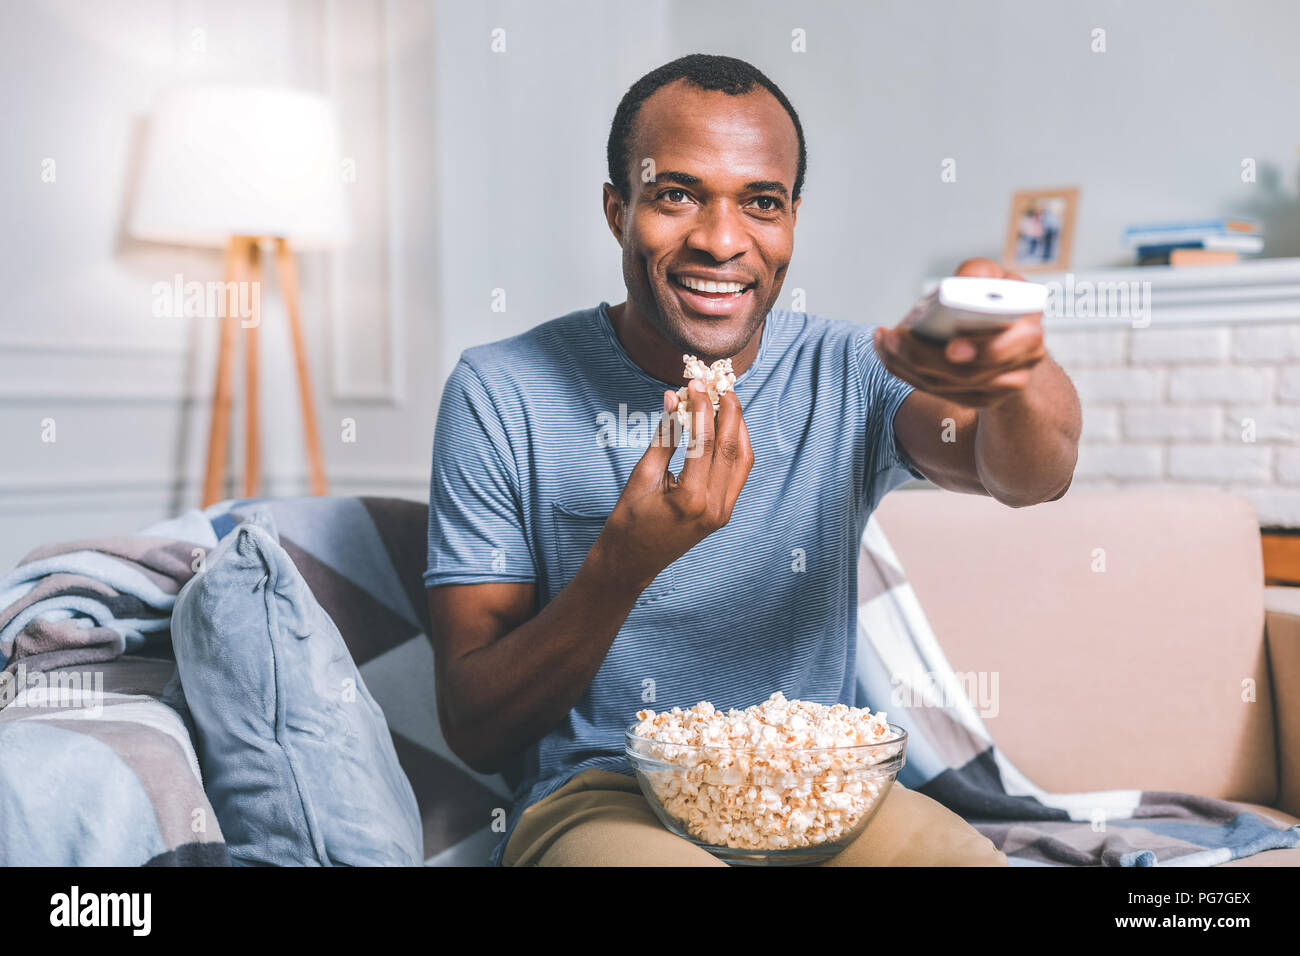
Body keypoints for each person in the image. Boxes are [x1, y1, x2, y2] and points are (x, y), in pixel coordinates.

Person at [425, 54, 1081, 867]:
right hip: (604, 798)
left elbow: (1030, 476)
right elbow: (476, 724)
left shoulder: (850, 369)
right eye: (676, 194)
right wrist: (625, 562)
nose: (721, 240)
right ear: (616, 209)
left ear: (792, 222)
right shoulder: (501, 391)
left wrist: (1014, 372)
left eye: (760, 203)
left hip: (828, 794)